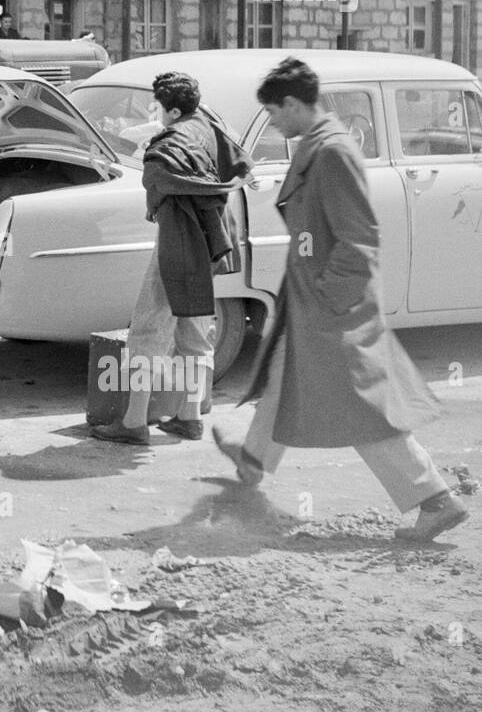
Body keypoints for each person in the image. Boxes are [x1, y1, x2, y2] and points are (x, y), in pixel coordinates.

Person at [214, 58, 469, 544]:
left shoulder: (331, 152)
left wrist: (330, 298)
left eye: (273, 111)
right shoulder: (317, 146)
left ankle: (433, 497)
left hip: (333, 303)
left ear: (292, 104)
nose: (271, 121)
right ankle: (252, 462)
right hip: (311, 295)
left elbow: (360, 237)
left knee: (356, 402)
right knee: (284, 371)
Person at [92, 72, 251, 445]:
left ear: (174, 109)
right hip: (212, 239)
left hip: (180, 240)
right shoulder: (208, 125)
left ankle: (133, 423)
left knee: (149, 327)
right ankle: (190, 417)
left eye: (158, 107)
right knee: (196, 327)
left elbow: (156, 180)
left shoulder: (168, 144)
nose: (154, 112)